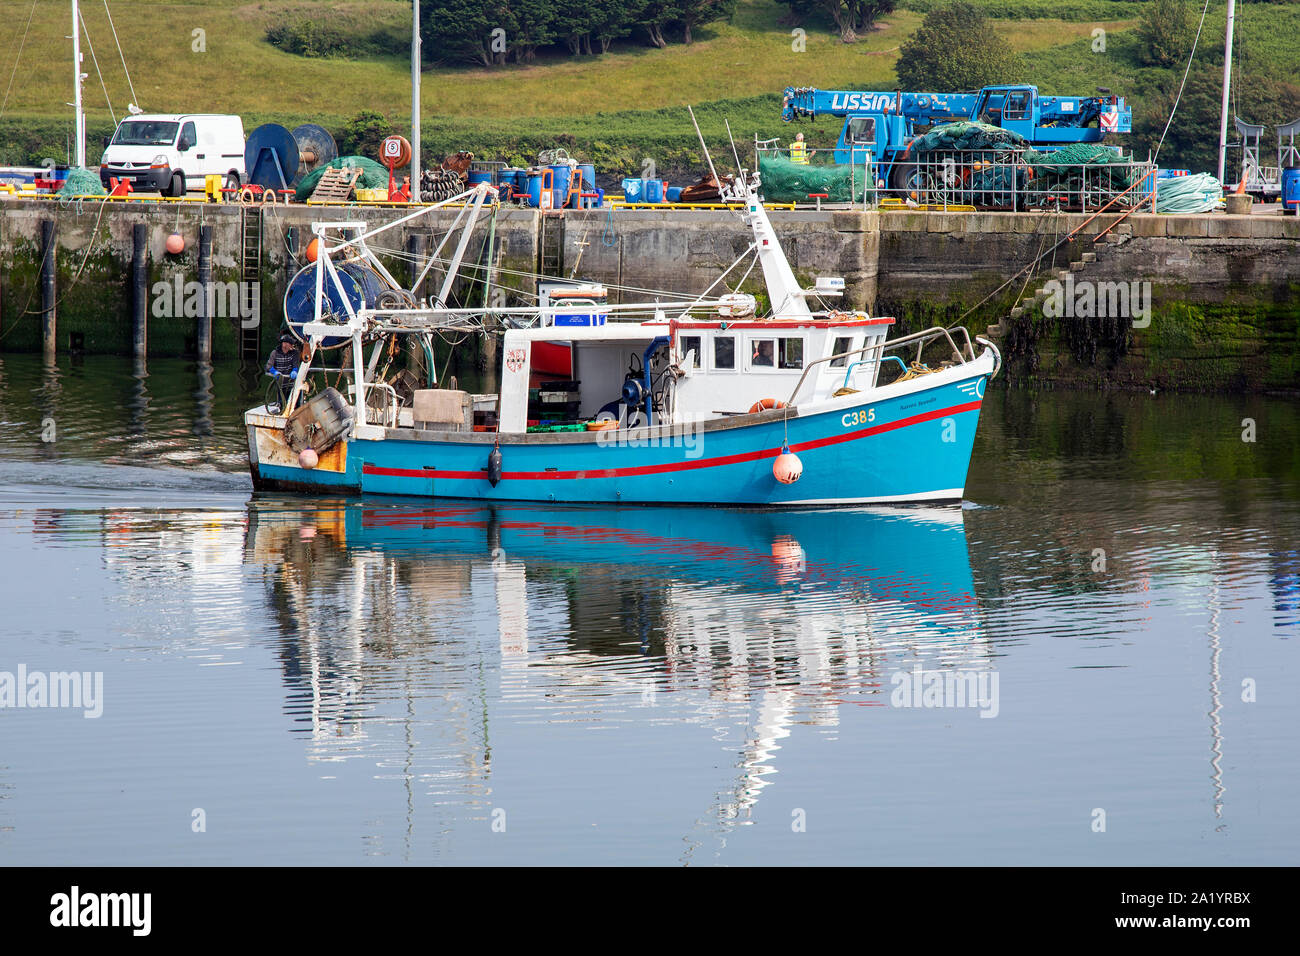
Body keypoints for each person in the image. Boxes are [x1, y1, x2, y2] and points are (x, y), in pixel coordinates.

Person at [265, 333, 301, 410]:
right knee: (283, 405)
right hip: (281, 384)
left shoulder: (295, 353)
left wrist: (294, 371)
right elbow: (268, 366)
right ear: (284, 344)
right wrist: (274, 372)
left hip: (292, 384)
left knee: (297, 405)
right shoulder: (275, 353)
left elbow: (296, 365)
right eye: (290, 343)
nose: (292, 345)